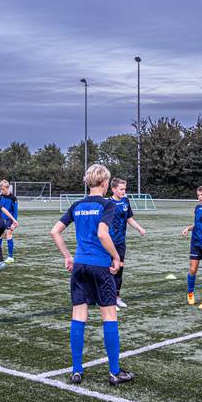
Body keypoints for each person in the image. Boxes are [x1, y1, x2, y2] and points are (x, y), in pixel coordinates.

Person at [50, 163, 133, 386]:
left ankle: (77, 370)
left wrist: (68, 256)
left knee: (78, 315)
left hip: (80, 265)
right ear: (105, 183)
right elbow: (103, 233)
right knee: (109, 316)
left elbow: (54, 231)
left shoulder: (77, 205)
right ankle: (115, 372)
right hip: (99, 266)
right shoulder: (107, 205)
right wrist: (115, 257)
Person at [109, 177, 146, 309]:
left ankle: (117, 298)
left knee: (120, 270)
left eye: (125, 189)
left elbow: (129, 218)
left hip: (120, 242)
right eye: (121, 189)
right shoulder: (107, 203)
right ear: (113, 189)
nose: (124, 191)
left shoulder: (125, 201)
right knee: (111, 270)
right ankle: (109, 300)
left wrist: (139, 228)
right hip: (109, 243)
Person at [0, 180, 19, 263]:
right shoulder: (1, 196)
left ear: (7, 188)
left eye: (2, 189)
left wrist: (14, 222)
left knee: (8, 234)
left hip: (10, 219)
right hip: (1, 219)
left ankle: (10, 257)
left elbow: (15, 211)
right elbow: (0, 208)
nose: (1, 191)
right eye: (0, 189)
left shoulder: (13, 198)